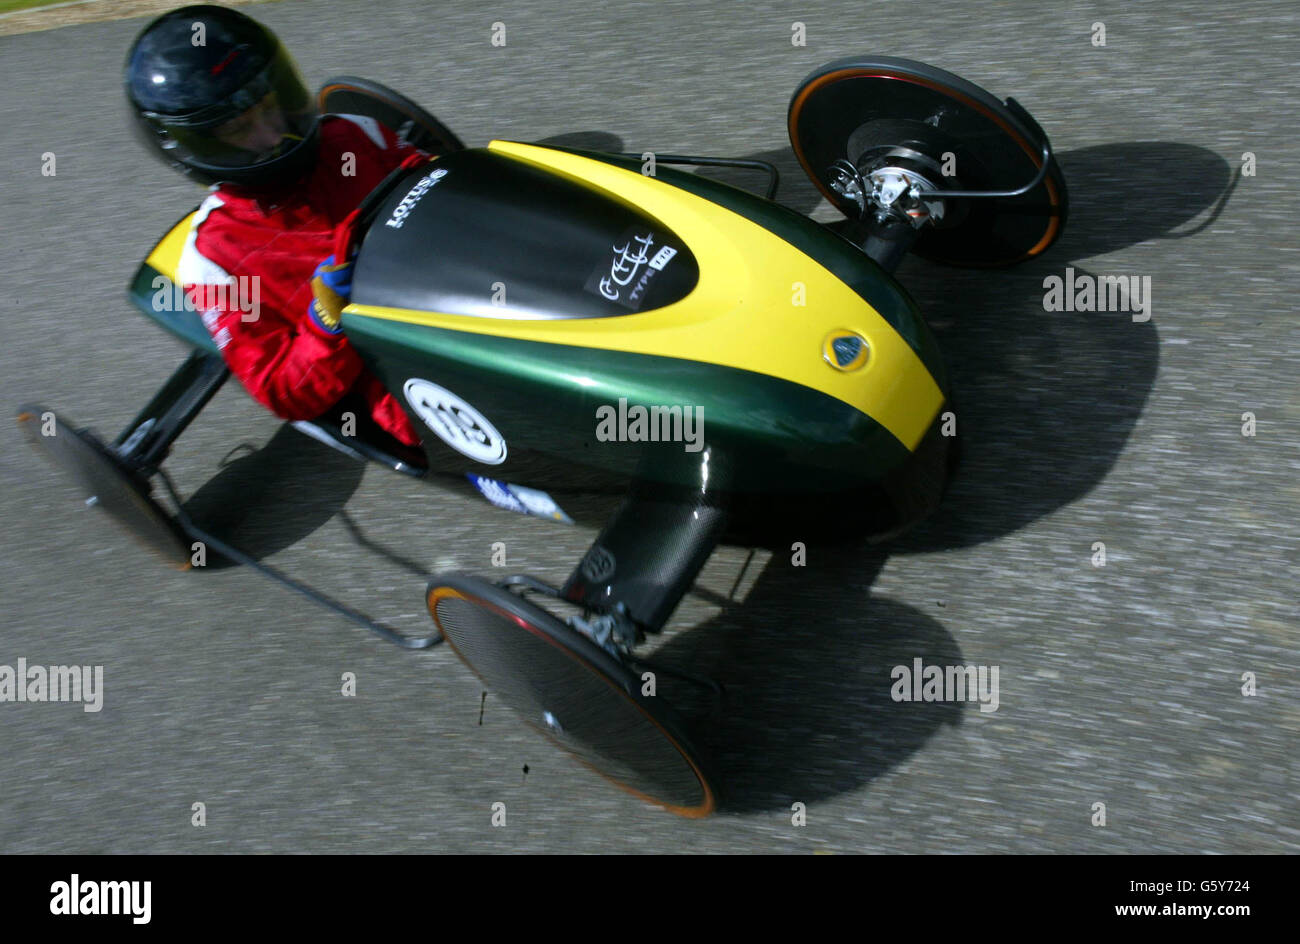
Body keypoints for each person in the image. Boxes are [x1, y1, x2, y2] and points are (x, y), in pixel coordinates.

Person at [124, 3, 428, 447]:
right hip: (415, 381)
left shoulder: (353, 134)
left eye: (270, 108)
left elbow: (443, 179)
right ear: (195, 145)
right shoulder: (214, 260)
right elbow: (283, 391)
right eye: (240, 128)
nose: (272, 135)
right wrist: (327, 319)